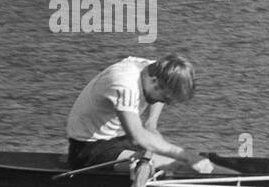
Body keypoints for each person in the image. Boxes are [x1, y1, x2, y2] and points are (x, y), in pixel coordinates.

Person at [66, 52, 218, 174]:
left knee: (179, 160)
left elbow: (145, 125)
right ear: (156, 82)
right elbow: (137, 136)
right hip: (89, 150)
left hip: (121, 140)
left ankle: (232, 177)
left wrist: (151, 123)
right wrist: (188, 156)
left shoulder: (152, 68)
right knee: (178, 166)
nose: (164, 102)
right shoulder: (125, 82)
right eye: (165, 98)